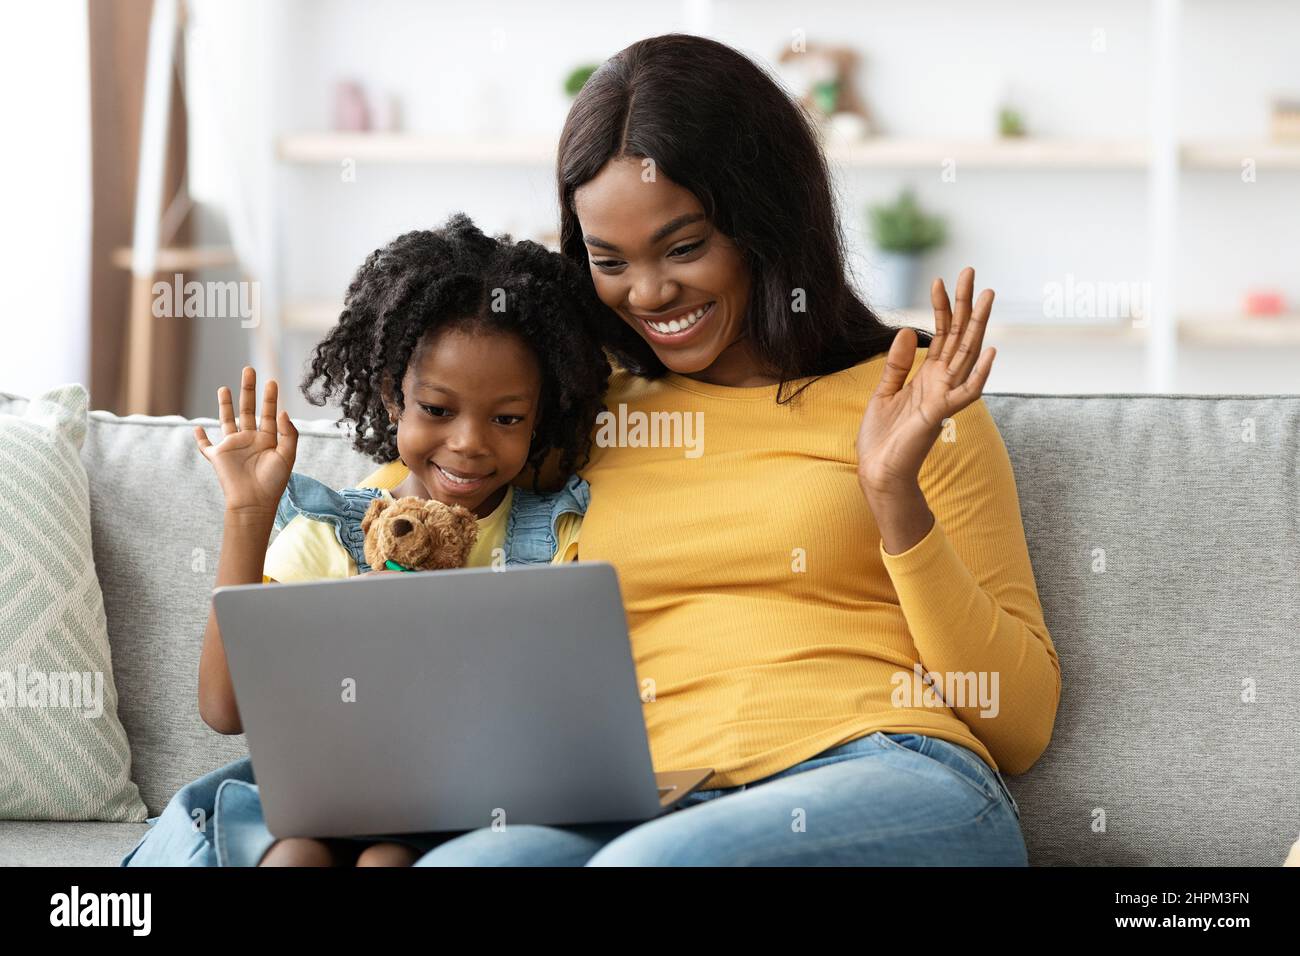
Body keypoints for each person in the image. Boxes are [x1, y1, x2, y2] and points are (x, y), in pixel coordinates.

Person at [408, 34, 1060, 866]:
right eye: (610, 260)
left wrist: (894, 494)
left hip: (886, 771)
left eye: (683, 248)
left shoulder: (912, 398)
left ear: (764, 223)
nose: (648, 293)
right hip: (647, 797)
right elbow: (402, 502)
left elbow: (1021, 725)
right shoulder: (573, 408)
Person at [121, 214, 611, 866]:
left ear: (540, 415)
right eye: (437, 410)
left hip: (470, 809)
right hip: (323, 797)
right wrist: (247, 511)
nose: (468, 442)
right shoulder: (332, 532)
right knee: (293, 855)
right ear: (391, 398)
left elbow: (568, 709)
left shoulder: (558, 535)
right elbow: (223, 706)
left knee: (387, 860)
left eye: (507, 418)